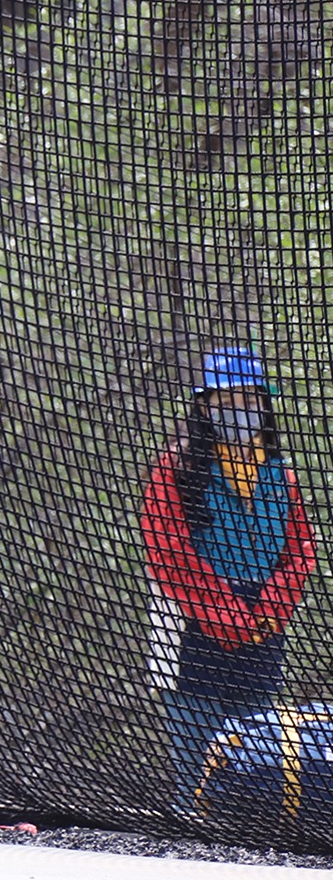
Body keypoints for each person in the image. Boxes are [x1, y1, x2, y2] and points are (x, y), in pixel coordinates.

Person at [141, 346, 315, 815]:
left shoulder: (281, 472)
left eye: (248, 399)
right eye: (226, 401)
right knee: (197, 764)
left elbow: (300, 548)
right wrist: (224, 613)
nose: (239, 411)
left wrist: (272, 606)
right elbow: (167, 552)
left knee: (254, 756)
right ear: (204, 407)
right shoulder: (177, 468)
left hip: (262, 627)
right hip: (190, 630)